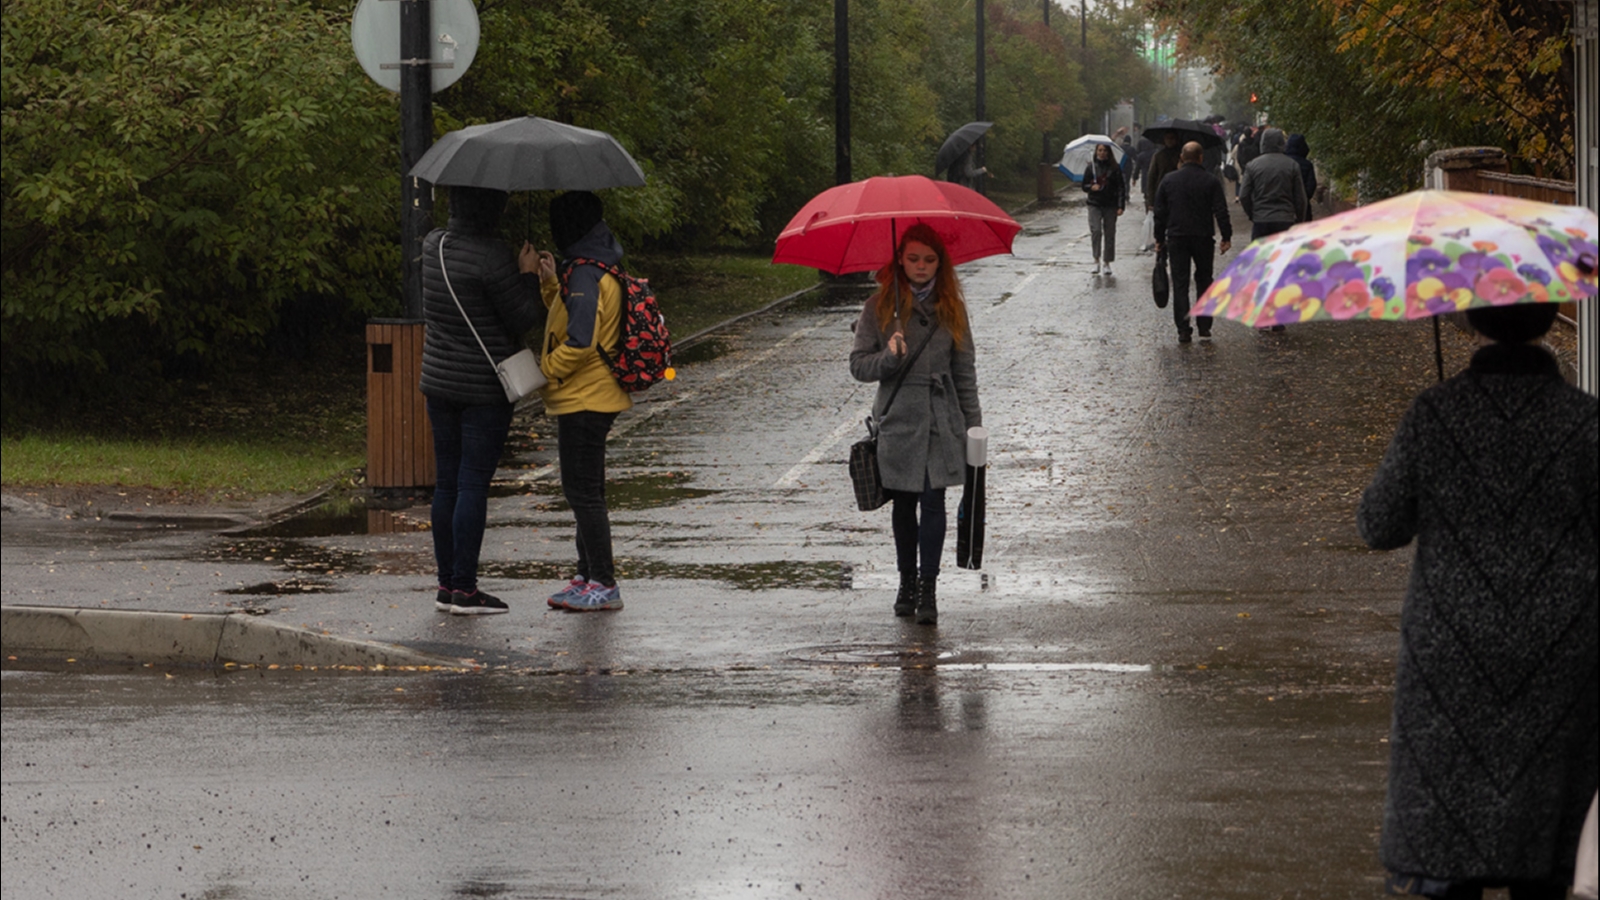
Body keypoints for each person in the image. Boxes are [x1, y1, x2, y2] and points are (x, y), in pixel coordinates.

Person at [1358, 302, 1598, 900]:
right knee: (1546, 847)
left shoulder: (1435, 414)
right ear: (1547, 322)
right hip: (1563, 651)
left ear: (1474, 322)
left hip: (1449, 654)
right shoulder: (1587, 421)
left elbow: (1377, 525)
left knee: (1446, 838)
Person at [849, 223, 983, 626]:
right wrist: (889, 357)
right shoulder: (878, 307)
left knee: (933, 501)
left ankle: (929, 588)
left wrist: (974, 431)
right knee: (904, 505)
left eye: (929, 259)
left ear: (940, 263)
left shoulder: (952, 308)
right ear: (900, 261)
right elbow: (858, 366)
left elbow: (965, 373)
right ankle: (906, 583)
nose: (921, 267)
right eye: (912, 259)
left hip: (942, 421)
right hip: (899, 421)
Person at [420, 186, 545, 615]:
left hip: (438, 382)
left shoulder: (433, 245)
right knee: (473, 483)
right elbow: (525, 318)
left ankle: (446, 585)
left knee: (447, 482)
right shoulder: (493, 257)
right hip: (483, 390)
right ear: (493, 208)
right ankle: (467, 590)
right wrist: (529, 274)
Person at [533, 191, 633, 612]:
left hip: (584, 397)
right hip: (593, 394)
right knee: (586, 490)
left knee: (583, 492)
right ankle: (586, 573)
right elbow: (570, 321)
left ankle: (603, 583)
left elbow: (578, 341)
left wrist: (544, 371)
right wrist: (550, 284)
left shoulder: (586, 274)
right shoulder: (593, 264)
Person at [1153, 141, 1232, 344]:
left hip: (1177, 237)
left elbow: (1160, 213)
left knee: (1180, 283)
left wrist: (1159, 238)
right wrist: (1226, 236)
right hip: (1203, 237)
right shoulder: (1211, 181)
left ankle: (1183, 329)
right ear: (1201, 158)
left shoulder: (1169, 181)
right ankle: (1204, 326)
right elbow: (1220, 210)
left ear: (1181, 157)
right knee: (1204, 279)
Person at [1239, 127, 1308, 241]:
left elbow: (1243, 195)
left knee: (1261, 256)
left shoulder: (1252, 166)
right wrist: (1300, 220)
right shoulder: (1292, 165)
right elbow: (1300, 197)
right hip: (1285, 219)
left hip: (1261, 219)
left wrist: (1252, 213)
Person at [1082, 142, 1128, 276]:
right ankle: (1096, 259)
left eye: (1104, 150)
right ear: (1096, 152)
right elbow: (1084, 185)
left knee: (1110, 232)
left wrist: (1120, 206)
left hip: (1110, 204)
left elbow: (1121, 187)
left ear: (1108, 152)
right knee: (1096, 231)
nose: (1102, 153)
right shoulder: (1091, 168)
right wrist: (1091, 187)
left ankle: (1107, 262)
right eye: (1099, 150)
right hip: (1094, 204)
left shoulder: (1114, 168)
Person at [1141, 130, 1183, 213]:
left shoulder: (1182, 155)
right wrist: (1151, 200)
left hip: (1178, 193)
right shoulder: (1158, 156)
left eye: (1172, 138)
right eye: (1168, 138)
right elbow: (1151, 177)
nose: (1170, 140)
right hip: (1161, 193)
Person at [1284, 133, 1318, 214]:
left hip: (1285, 207)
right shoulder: (1307, 164)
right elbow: (1311, 185)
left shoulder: (1283, 163)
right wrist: (1304, 198)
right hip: (1303, 206)